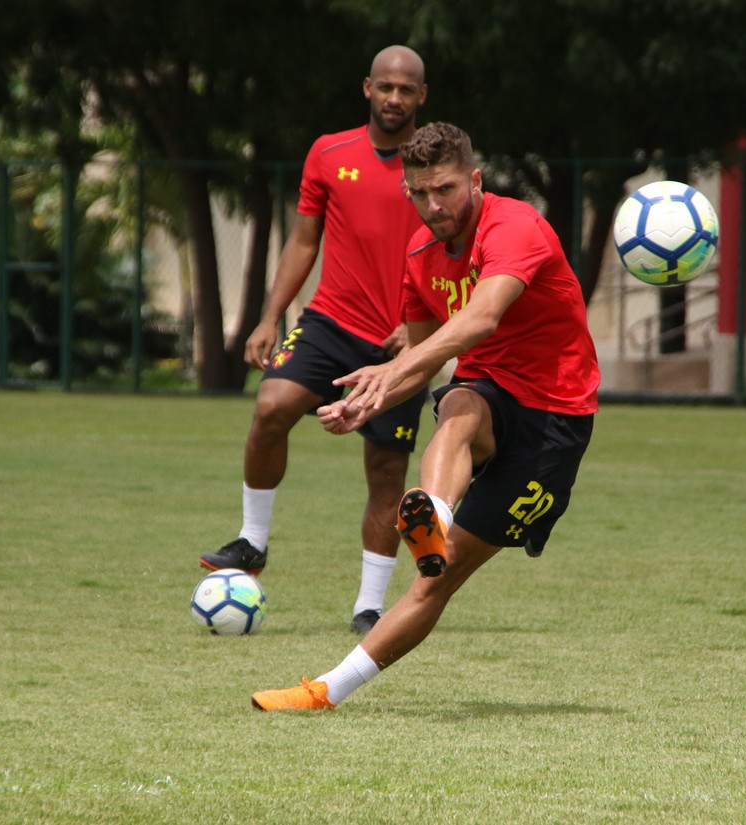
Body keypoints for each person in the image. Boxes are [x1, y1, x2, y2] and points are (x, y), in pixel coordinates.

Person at [251, 121, 600, 711]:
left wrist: (394, 369)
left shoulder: (516, 227)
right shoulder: (419, 255)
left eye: (444, 189)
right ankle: (326, 688)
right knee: (460, 401)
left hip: (554, 419)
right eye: (419, 192)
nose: (433, 206)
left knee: (439, 580)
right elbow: (419, 366)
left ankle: (430, 532)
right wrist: (365, 401)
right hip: (487, 392)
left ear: (475, 180)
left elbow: (482, 318)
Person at [198, 45, 429, 636]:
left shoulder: (434, 163)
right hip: (329, 322)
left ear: (421, 97)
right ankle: (252, 542)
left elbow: (459, 251)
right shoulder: (330, 152)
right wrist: (269, 315)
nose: (394, 98)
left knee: (384, 473)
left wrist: (424, 324)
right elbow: (304, 240)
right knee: (271, 406)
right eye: (385, 87)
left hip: (400, 345)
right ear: (367, 89)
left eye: (406, 90)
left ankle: (370, 607)